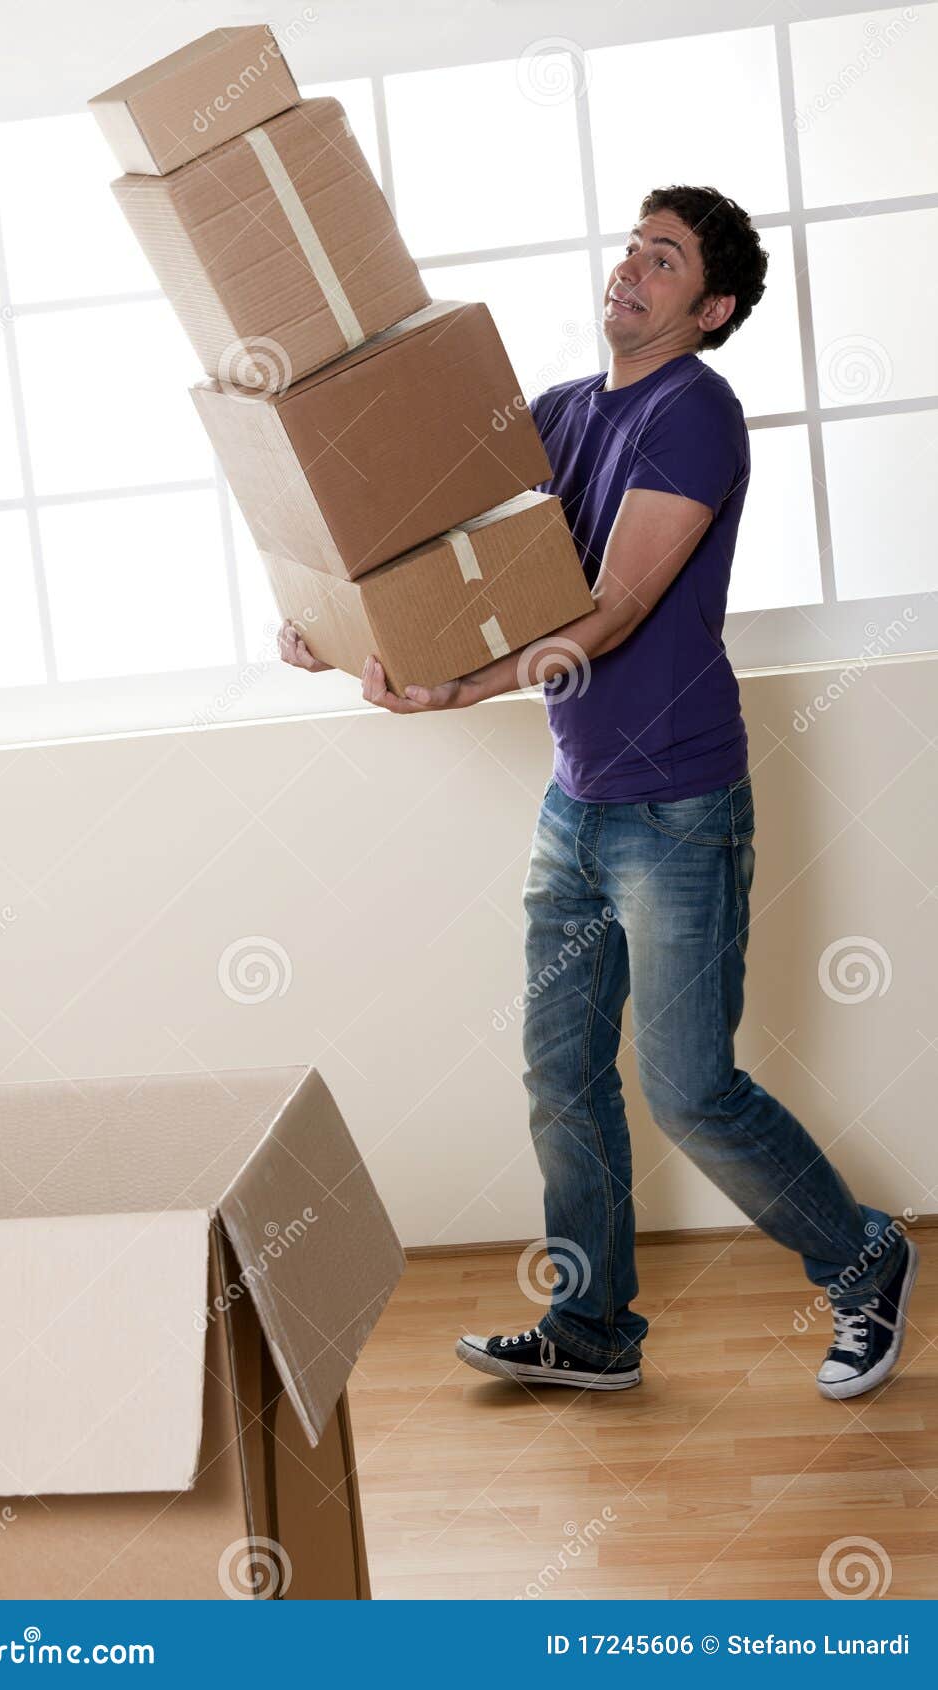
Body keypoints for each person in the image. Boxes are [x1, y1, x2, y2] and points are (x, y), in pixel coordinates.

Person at [279, 184, 917, 1402]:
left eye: (662, 260)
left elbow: (613, 611)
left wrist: (462, 690)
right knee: (560, 1073)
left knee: (688, 1088)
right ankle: (590, 1326)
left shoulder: (694, 414)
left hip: (675, 805)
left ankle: (862, 1257)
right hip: (574, 802)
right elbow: (447, 555)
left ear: (709, 309)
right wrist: (339, 623)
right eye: (631, 247)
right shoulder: (560, 412)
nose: (628, 268)